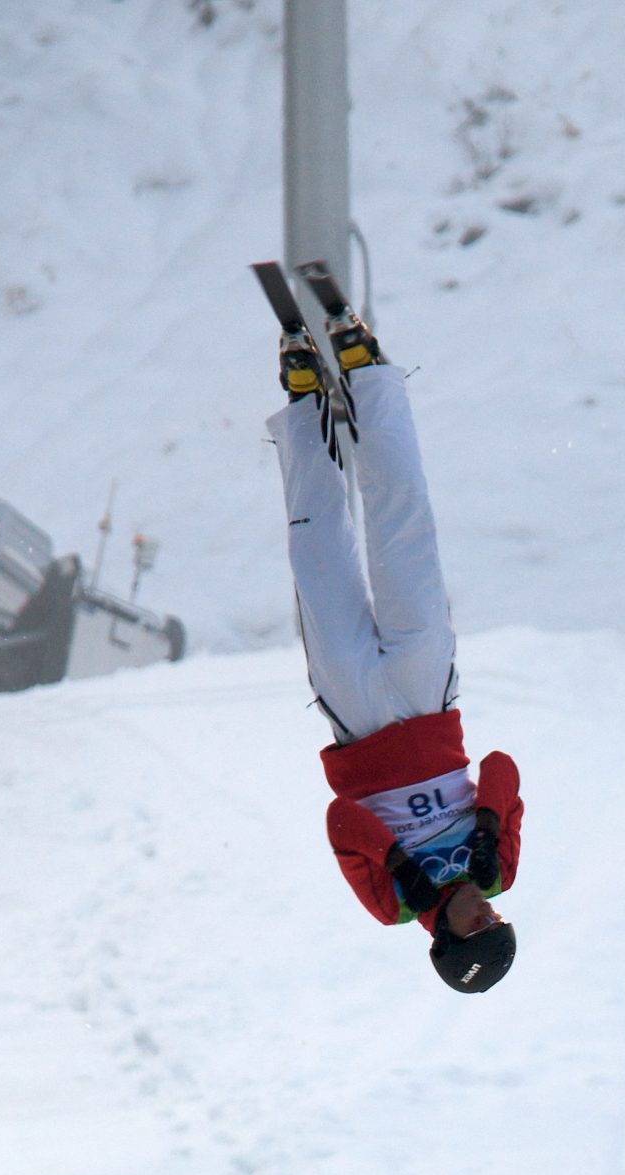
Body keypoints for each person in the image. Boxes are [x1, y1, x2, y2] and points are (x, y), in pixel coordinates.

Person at [269, 297, 522, 993]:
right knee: (402, 532)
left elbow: (342, 819)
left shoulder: (393, 902)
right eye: (499, 923)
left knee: (318, 553)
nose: (489, 912)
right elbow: (501, 766)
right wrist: (487, 827)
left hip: (360, 727)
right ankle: (369, 378)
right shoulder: (495, 869)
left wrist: (403, 865)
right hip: (426, 703)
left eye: (480, 929)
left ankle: (303, 407)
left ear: (445, 939)